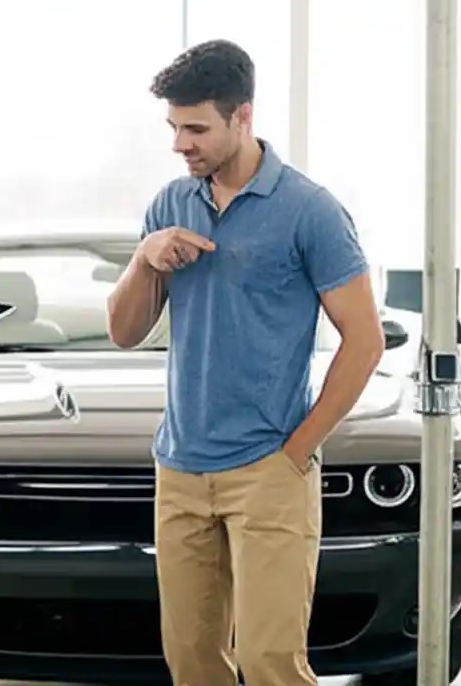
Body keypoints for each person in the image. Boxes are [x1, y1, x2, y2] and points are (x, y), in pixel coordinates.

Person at [107, 39, 385, 686]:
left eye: (196, 128)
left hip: (268, 468)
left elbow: (364, 340)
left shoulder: (308, 211)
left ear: (243, 118)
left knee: (270, 664)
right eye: (174, 128)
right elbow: (124, 332)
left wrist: (299, 450)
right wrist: (144, 258)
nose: (181, 143)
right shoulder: (170, 205)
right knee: (194, 663)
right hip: (179, 468)